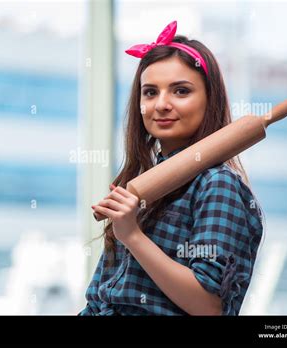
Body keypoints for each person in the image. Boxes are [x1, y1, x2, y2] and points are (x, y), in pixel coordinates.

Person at [79, 20, 263, 316]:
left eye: (180, 91)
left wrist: (133, 235)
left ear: (209, 99)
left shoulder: (218, 185)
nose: (161, 104)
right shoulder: (141, 185)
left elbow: (209, 306)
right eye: (150, 92)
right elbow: (100, 298)